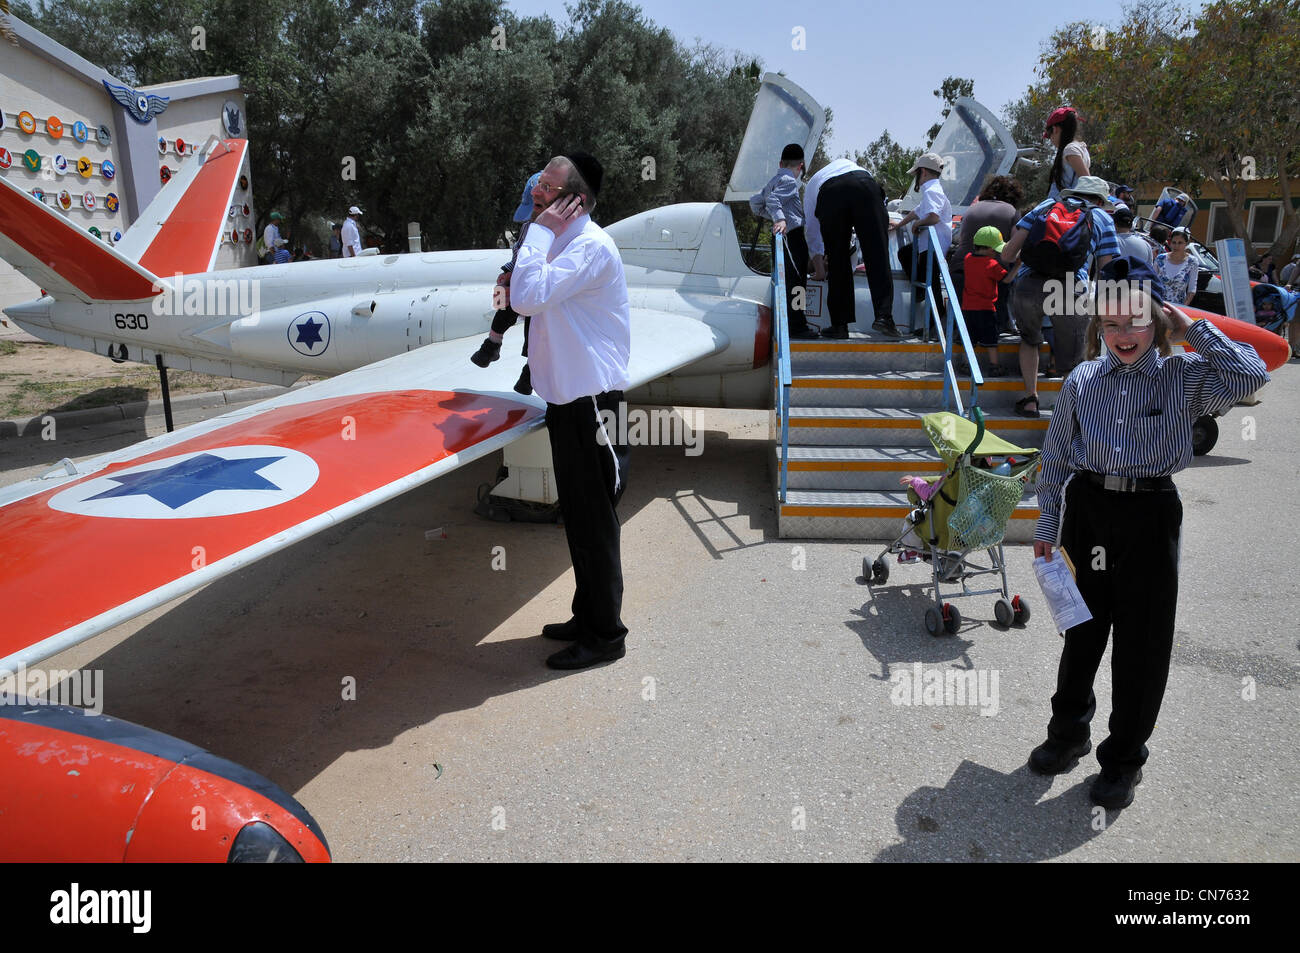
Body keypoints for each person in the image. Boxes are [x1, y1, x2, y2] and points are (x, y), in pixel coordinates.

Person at [1028, 256, 1269, 809]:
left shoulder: (1183, 376)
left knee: (1143, 641)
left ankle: (1124, 760)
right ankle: (1067, 736)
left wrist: (1192, 329)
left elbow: (1253, 375)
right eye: (1109, 325)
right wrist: (1047, 523)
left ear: (1157, 320)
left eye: (1134, 321)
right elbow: (1058, 455)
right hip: (1087, 508)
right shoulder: (1083, 379)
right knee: (1081, 632)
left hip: (1151, 513)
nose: (1122, 335)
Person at [509, 152, 632, 671]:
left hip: (593, 407)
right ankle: (588, 617)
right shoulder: (560, 241)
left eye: (548, 185)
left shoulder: (589, 246)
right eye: (537, 181)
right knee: (578, 520)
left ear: (573, 199)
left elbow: (526, 297)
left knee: (596, 523)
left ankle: (606, 636)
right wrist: (538, 235)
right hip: (567, 403)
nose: (537, 189)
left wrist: (537, 234)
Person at [1000, 175, 1118, 417]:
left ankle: (1031, 400)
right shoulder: (1103, 218)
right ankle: (1066, 411)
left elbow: (1009, 255)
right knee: (1073, 356)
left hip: (1030, 284)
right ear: (1099, 200)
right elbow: (1107, 268)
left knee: (1030, 339)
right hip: (1071, 288)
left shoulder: (1046, 206)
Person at [805, 157, 898, 338]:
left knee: (837, 258)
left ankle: (839, 326)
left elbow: (812, 232)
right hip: (866, 186)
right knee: (877, 254)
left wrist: (819, 269)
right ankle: (884, 316)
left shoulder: (812, 184)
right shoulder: (859, 169)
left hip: (831, 192)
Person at [470, 171, 542, 395]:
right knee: (502, 296)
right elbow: (518, 252)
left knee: (537, 321)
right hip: (520, 275)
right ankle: (493, 341)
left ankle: (531, 369)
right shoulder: (528, 226)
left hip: (538, 282)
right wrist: (508, 273)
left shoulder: (556, 231)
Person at [749, 143, 820, 339]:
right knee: (798, 282)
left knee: (787, 281)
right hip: (793, 237)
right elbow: (773, 200)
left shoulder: (774, 179)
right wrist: (780, 219)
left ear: (780, 163)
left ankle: (791, 323)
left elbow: (755, 203)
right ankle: (798, 326)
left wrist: (773, 216)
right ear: (801, 166)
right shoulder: (789, 180)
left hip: (783, 237)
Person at [949, 175, 1024, 335]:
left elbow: (960, 238)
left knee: (964, 320)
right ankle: (1005, 325)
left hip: (961, 268)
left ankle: (959, 336)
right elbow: (1014, 249)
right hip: (991, 276)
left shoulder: (972, 208)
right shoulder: (1012, 212)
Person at [890, 152, 953, 338]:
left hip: (934, 247)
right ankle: (922, 299)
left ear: (923, 172)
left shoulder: (932, 190)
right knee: (906, 254)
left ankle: (935, 323)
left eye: (917, 174)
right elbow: (918, 211)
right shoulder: (932, 190)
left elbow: (933, 217)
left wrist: (917, 226)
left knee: (932, 287)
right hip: (929, 246)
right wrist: (900, 224)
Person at [962, 226, 1011, 376]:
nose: (996, 252)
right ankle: (994, 365)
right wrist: (1018, 266)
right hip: (986, 308)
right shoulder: (992, 264)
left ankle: (966, 365)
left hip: (968, 307)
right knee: (991, 339)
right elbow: (1007, 279)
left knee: (969, 337)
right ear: (989, 248)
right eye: (995, 249)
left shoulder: (967, 259)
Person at [1044, 107, 1090, 202]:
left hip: (1064, 207)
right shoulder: (1080, 148)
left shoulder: (1070, 150)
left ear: (1055, 129)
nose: (1050, 140)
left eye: (1049, 135)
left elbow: (1087, 179)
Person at [1153, 226, 1199, 306]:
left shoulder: (1192, 262)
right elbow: (1151, 282)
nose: (1176, 246)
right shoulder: (1160, 259)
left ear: (1186, 244)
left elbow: (1191, 290)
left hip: (1178, 308)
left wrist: (1183, 308)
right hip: (1158, 306)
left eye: (1180, 243)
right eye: (1174, 242)